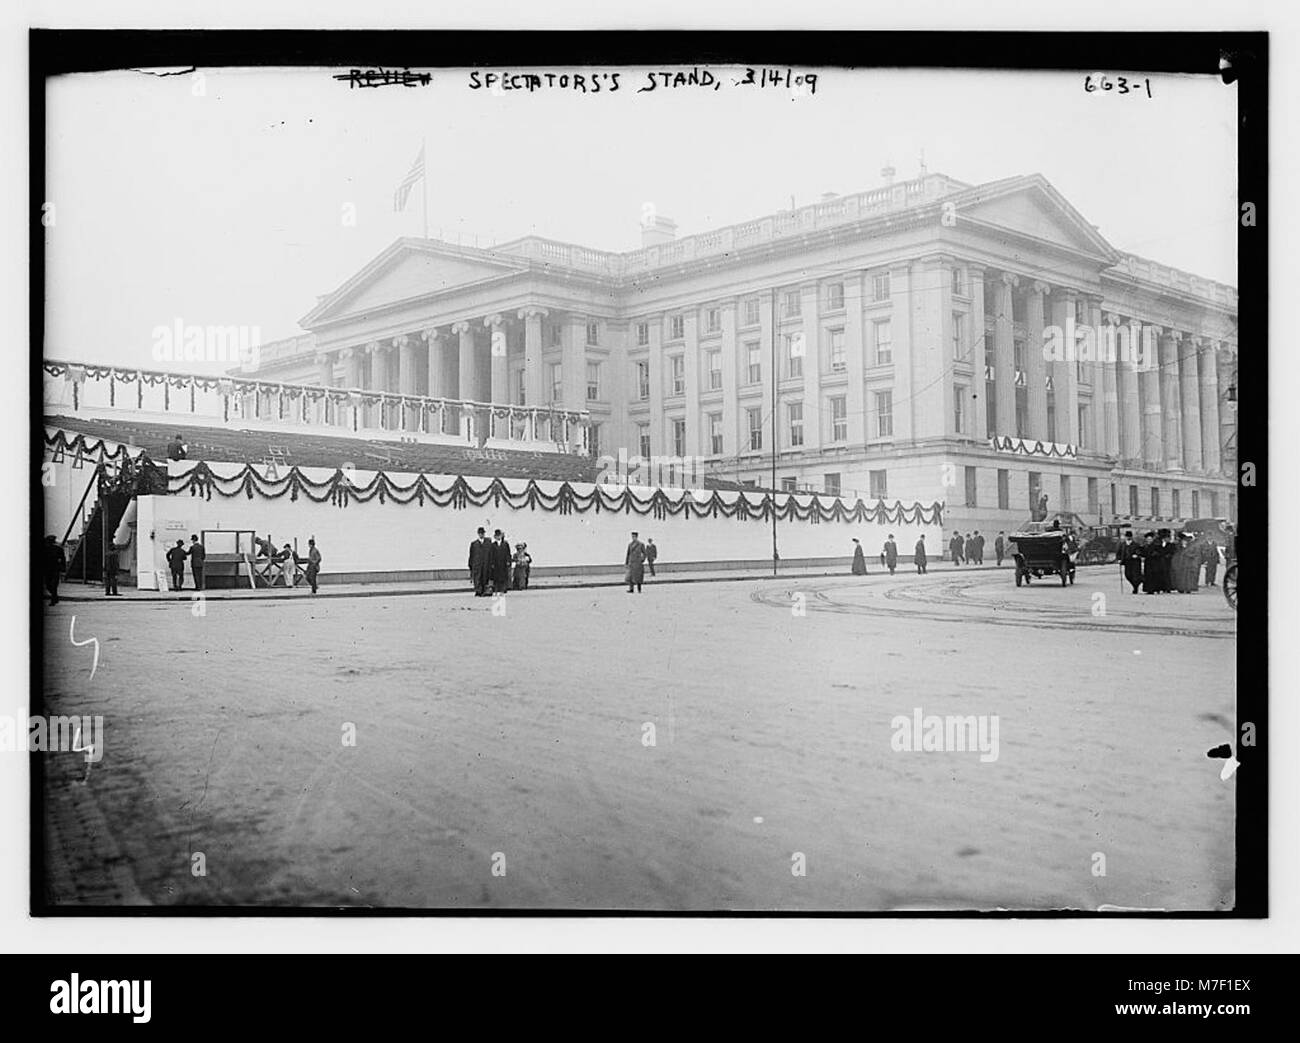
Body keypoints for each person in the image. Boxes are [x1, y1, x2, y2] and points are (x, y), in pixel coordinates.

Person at [467, 527, 492, 596]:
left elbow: (491, 553)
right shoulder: (474, 544)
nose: (481, 535)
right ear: (478, 534)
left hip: (486, 563)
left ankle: (484, 590)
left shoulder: (488, 542)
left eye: (483, 533)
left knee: (485, 577)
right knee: (477, 577)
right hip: (477, 564)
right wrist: (470, 564)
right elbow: (471, 555)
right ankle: (478, 590)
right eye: (480, 533)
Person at [43, 535, 65, 605]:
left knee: (53, 585)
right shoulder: (45, 549)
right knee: (48, 585)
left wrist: (63, 568)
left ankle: (53, 600)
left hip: (55, 569)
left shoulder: (58, 549)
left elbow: (62, 559)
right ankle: (55, 597)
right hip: (48, 569)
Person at [491, 530, 513, 594]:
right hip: (496, 563)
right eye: (497, 536)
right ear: (495, 537)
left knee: (504, 576)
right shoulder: (493, 545)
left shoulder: (505, 544)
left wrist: (508, 561)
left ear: (501, 536)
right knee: (496, 576)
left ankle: (503, 588)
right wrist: (492, 563)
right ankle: (497, 588)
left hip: (503, 563)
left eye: (499, 535)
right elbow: (491, 555)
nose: (498, 537)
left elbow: (508, 553)